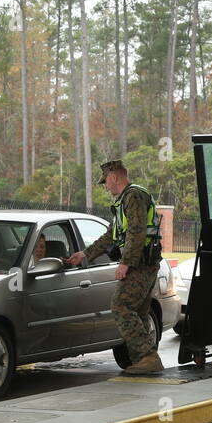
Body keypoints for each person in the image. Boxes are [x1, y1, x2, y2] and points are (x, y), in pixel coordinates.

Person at [67, 160, 164, 375]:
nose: (105, 186)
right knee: (138, 312)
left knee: (120, 306)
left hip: (140, 265)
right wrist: (85, 254)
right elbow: (111, 236)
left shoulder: (133, 196)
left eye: (105, 182)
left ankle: (148, 357)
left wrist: (126, 263)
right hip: (144, 264)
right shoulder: (124, 202)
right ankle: (145, 359)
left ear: (114, 177)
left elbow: (137, 232)